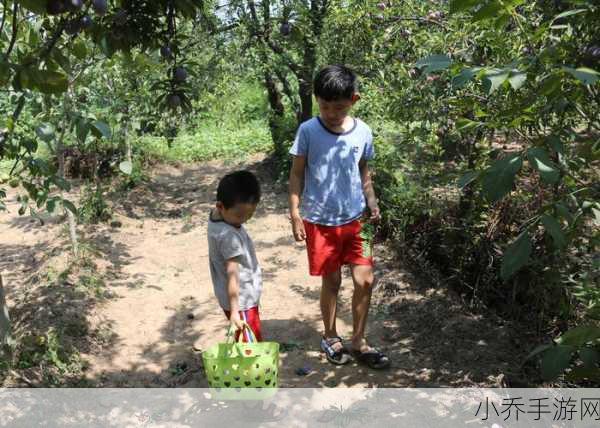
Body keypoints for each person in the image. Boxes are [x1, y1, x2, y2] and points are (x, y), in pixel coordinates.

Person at [288, 65, 390, 369]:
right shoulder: (308, 131)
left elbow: (363, 171)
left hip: (358, 219)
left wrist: (372, 201)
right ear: (317, 99)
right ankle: (331, 335)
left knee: (365, 280)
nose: (331, 112)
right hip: (319, 221)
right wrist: (295, 213)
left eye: (339, 106)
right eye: (325, 105)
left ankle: (359, 339)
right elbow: (296, 174)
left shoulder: (363, 131)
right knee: (331, 281)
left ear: (354, 100)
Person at [208, 170, 263, 342]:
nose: (244, 220)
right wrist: (235, 311)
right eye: (240, 215)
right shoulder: (228, 236)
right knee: (251, 345)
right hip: (241, 300)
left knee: (246, 340)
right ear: (220, 206)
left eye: (250, 215)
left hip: (238, 299)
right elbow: (233, 275)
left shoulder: (218, 217)